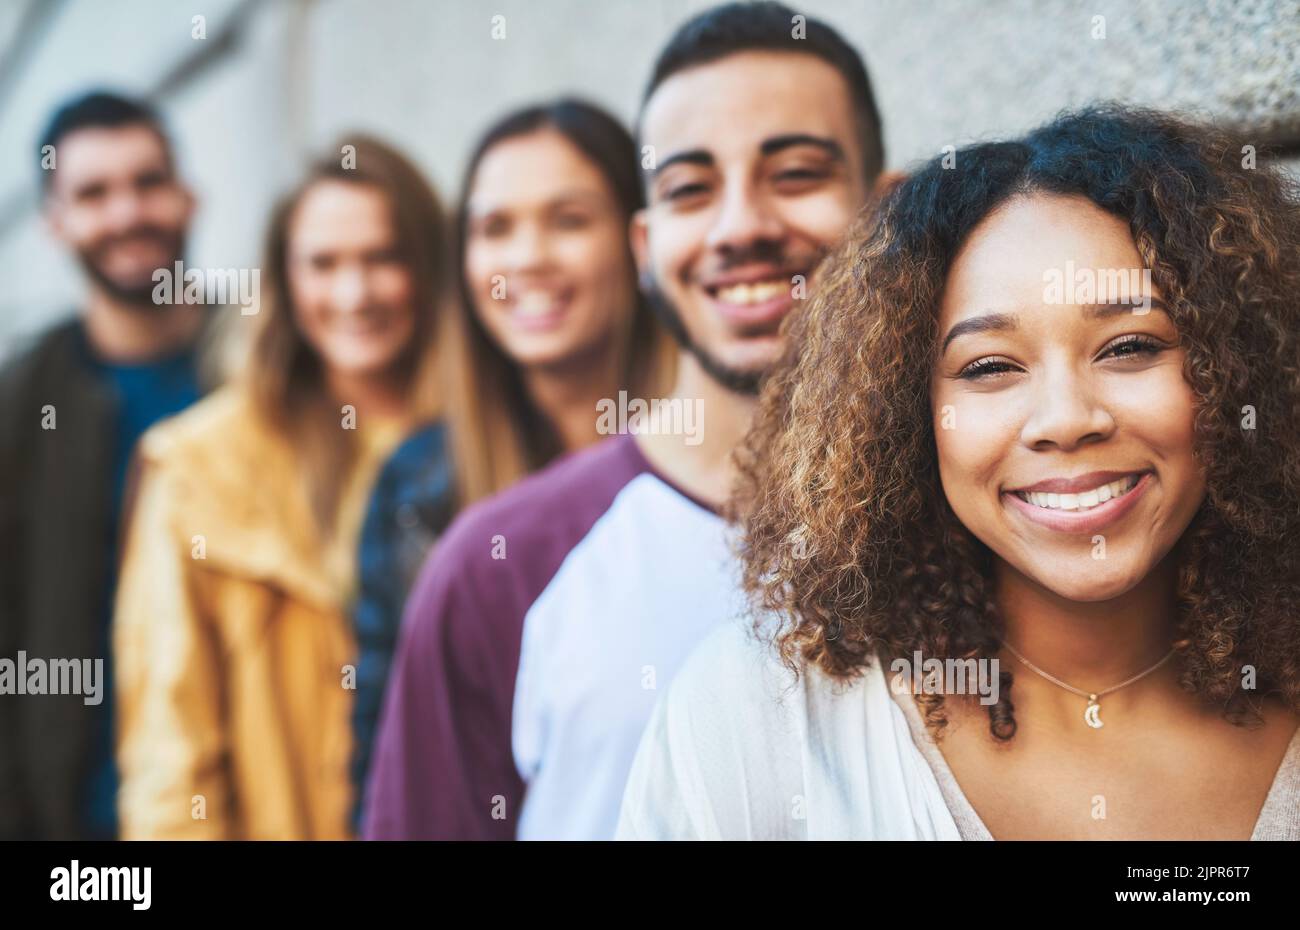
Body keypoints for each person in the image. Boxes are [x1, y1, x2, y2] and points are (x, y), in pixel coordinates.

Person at [617, 105, 1300, 841]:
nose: (1066, 420)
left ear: (1242, 372)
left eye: (1130, 347)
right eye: (989, 367)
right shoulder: (757, 724)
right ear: (906, 415)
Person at [364, 0, 885, 840]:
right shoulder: (497, 569)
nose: (741, 225)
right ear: (646, 247)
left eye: (794, 173)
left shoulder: (980, 519)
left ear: (884, 207)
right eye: (690, 189)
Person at [349, 99, 673, 825]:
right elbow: (389, 773)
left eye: (568, 220)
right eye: (495, 228)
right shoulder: (415, 490)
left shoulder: (717, 472)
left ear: (639, 241)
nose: (527, 257)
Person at [113, 136, 446, 839]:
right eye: (323, 264)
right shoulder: (200, 464)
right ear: (285, 280)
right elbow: (170, 752)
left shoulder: (485, 441)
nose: (354, 294)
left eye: (383, 257)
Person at [0, 91, 208, 840]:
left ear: (186, 194)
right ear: (54, 221)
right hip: (79, 827)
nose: (128, 213)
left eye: (148, 182)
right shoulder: (21, 405)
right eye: (94, 193)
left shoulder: (263, 369)